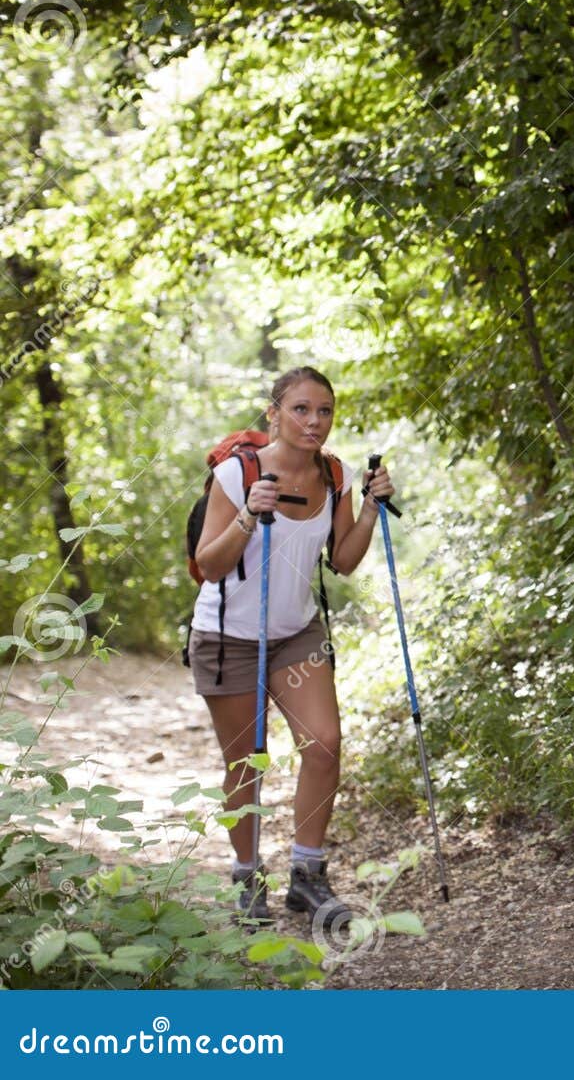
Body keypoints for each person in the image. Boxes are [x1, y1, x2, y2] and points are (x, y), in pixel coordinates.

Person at [188, 366, 395, 922]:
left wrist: (370, 509)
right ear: (274, 413)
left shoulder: (334, 475)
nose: (314, 421)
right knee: (246, 762)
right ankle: (247, 876)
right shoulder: (236, 474)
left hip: (296, 634)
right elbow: (210, 566)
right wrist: (248, 517)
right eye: (300, 409)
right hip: (228, 636)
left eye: (324, 411)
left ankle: (306, 875)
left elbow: (343, 560)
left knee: (324, 743)